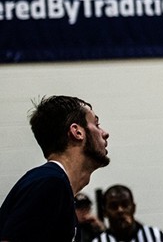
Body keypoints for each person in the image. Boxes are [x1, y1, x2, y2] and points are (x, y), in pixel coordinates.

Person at [0, 95, 110, 242]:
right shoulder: (50, 183)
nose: (104, 133)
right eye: (96, 125)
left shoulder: (58, 187)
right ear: (77, 132)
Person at [92, 185, 163, 242]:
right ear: (105, 212)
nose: (120, 210)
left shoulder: (157, 236)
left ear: (133, 208)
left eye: (125, 205)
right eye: (114, 206)